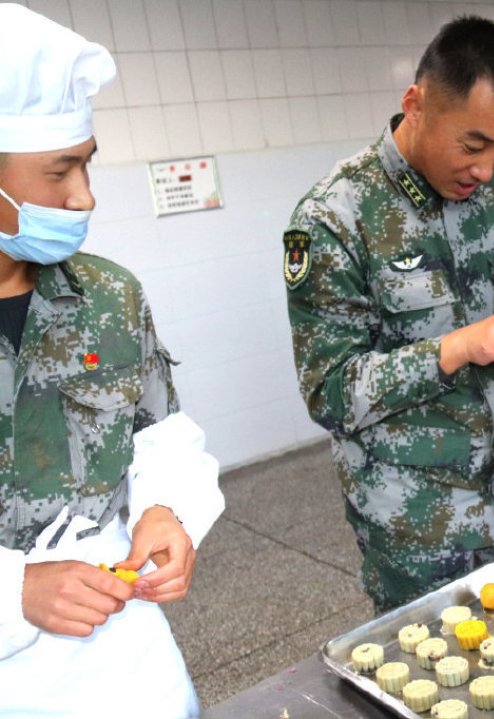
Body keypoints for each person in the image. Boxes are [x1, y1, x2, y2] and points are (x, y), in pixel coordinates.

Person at [284, 16, 494, 614]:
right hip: (411, 524)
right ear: (414, 104)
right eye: (472, 146)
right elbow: (330, 392)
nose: (486, 168)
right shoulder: (335, 216)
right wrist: (460, 346)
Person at [0, 6, 224, 717]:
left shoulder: (107, 295)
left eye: (86, 162)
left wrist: (166, 508)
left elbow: (162, 436)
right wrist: (16, 591)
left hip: (130, 670)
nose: (84, 194)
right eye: (59, 169)